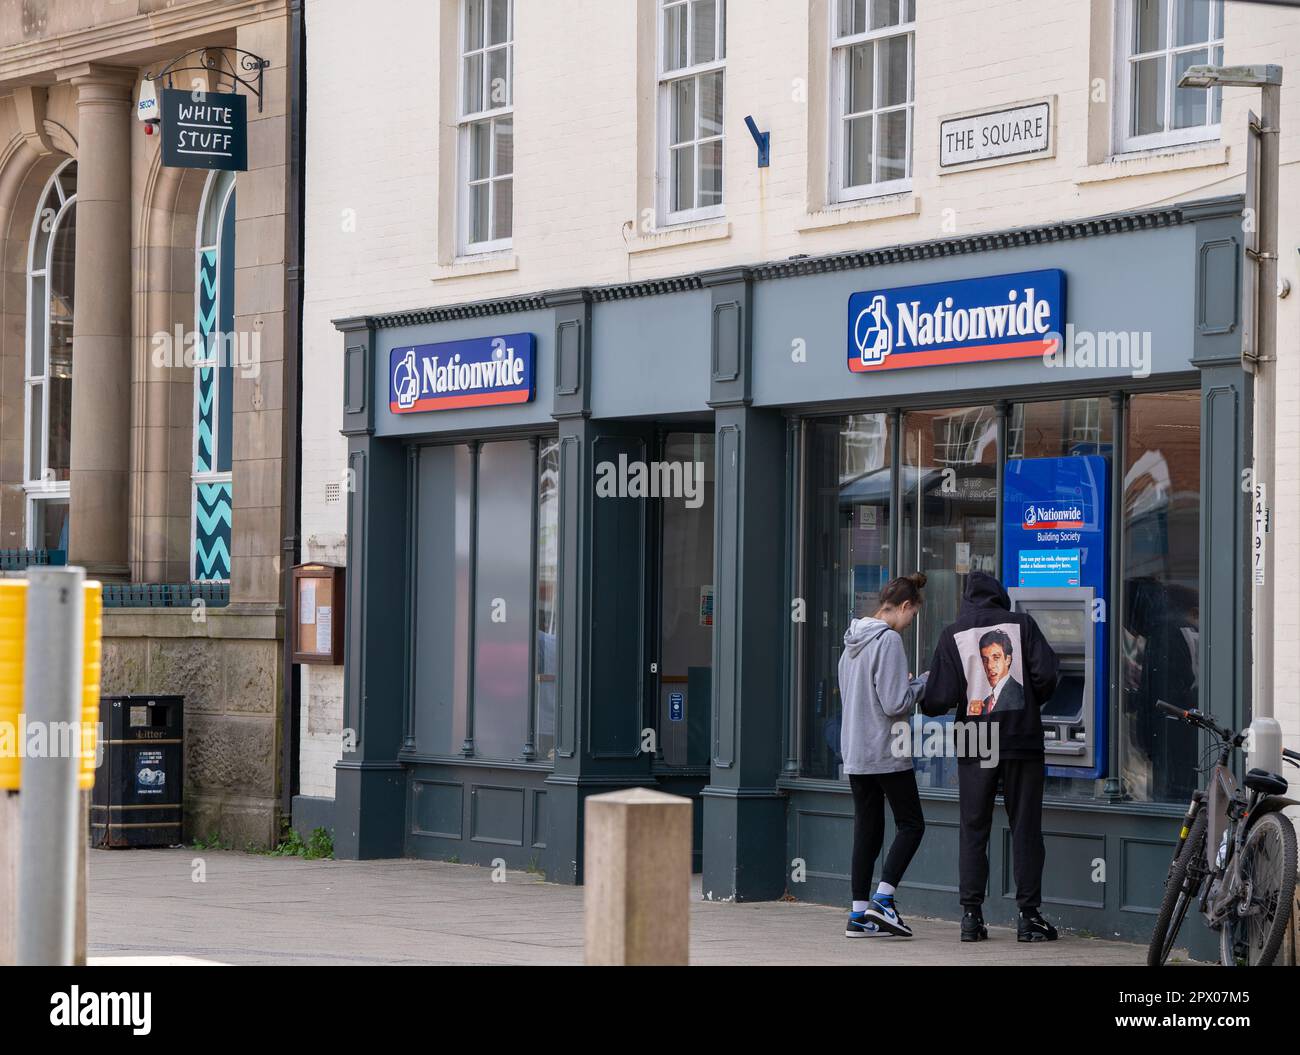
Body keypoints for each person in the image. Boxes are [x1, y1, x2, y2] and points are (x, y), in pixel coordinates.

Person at [923, 571, 1060, 943]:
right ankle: (1029, 918)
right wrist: (1032, 702)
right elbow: (1048, 674)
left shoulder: (952, 633)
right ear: (999, 597)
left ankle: (970, 918)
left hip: (974, 737)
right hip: (1021, 737)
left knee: (973, 827)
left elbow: (937, 698)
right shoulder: (1023, 624)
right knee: (1026, 828)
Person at [838, 572, 930, 938]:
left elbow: (861, 698)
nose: (910, 624)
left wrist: (901, 685)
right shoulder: (888, 640)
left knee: (867, 829)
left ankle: (859, 915)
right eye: (913, 616)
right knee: (912, 824)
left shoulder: (851, 643)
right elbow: (894, 703)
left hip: (856, 751)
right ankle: (884, 899)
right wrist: (920, 683)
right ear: (905, 607)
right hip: (885, 750)